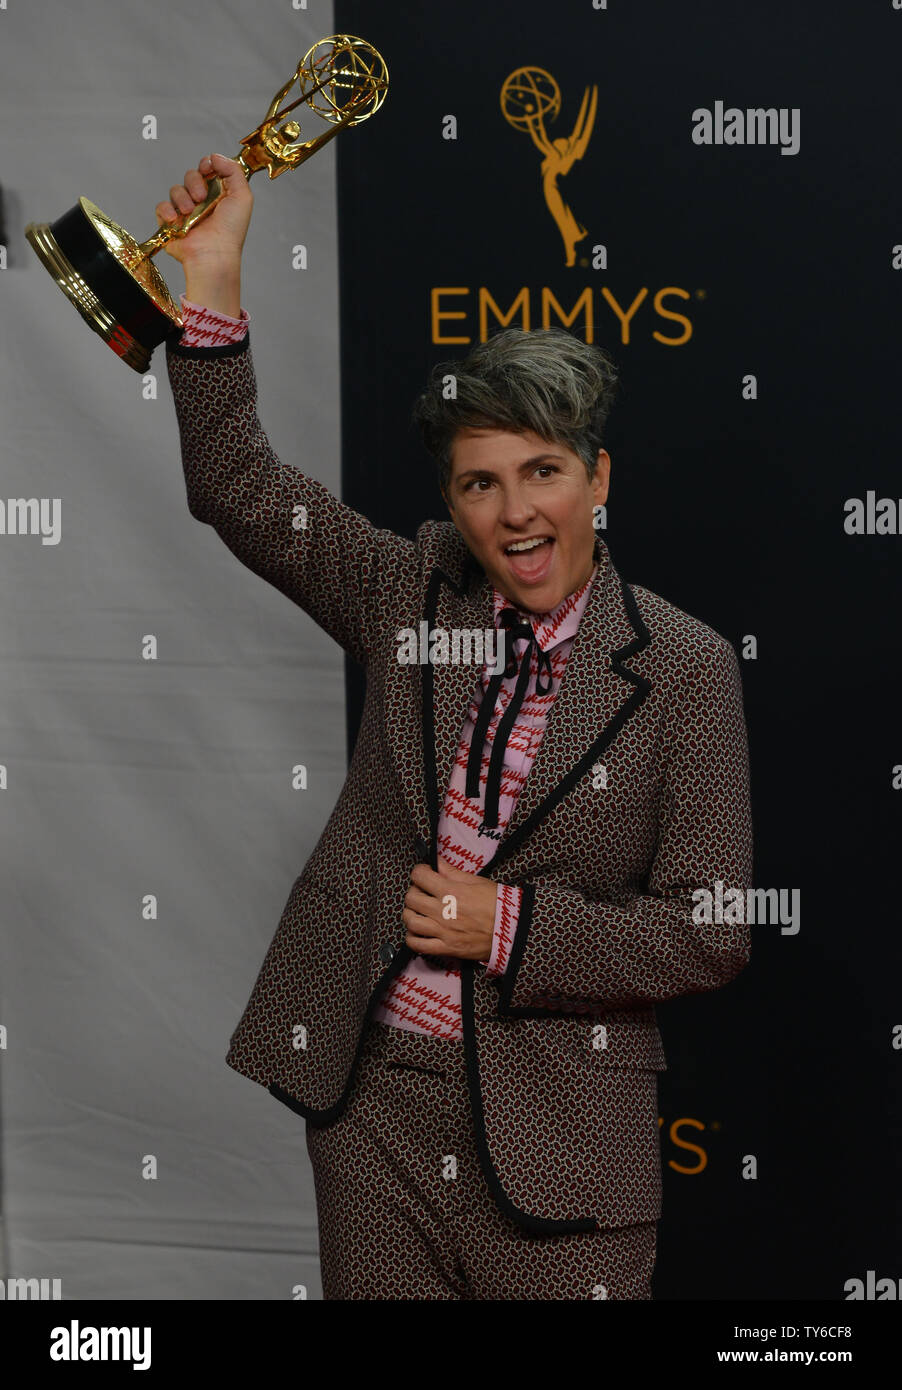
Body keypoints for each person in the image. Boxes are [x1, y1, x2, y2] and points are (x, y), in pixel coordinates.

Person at [158, 153, 753, 1300]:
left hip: (566, 1135)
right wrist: (217, 277)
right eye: (480, 483)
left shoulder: (681, 667)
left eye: (541, 471)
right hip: (373, 1109)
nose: (514, 510)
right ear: (451, 501)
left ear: (597, 479)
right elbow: (236, 483)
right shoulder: (409, 592)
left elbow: (710, 928)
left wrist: (510, 925)